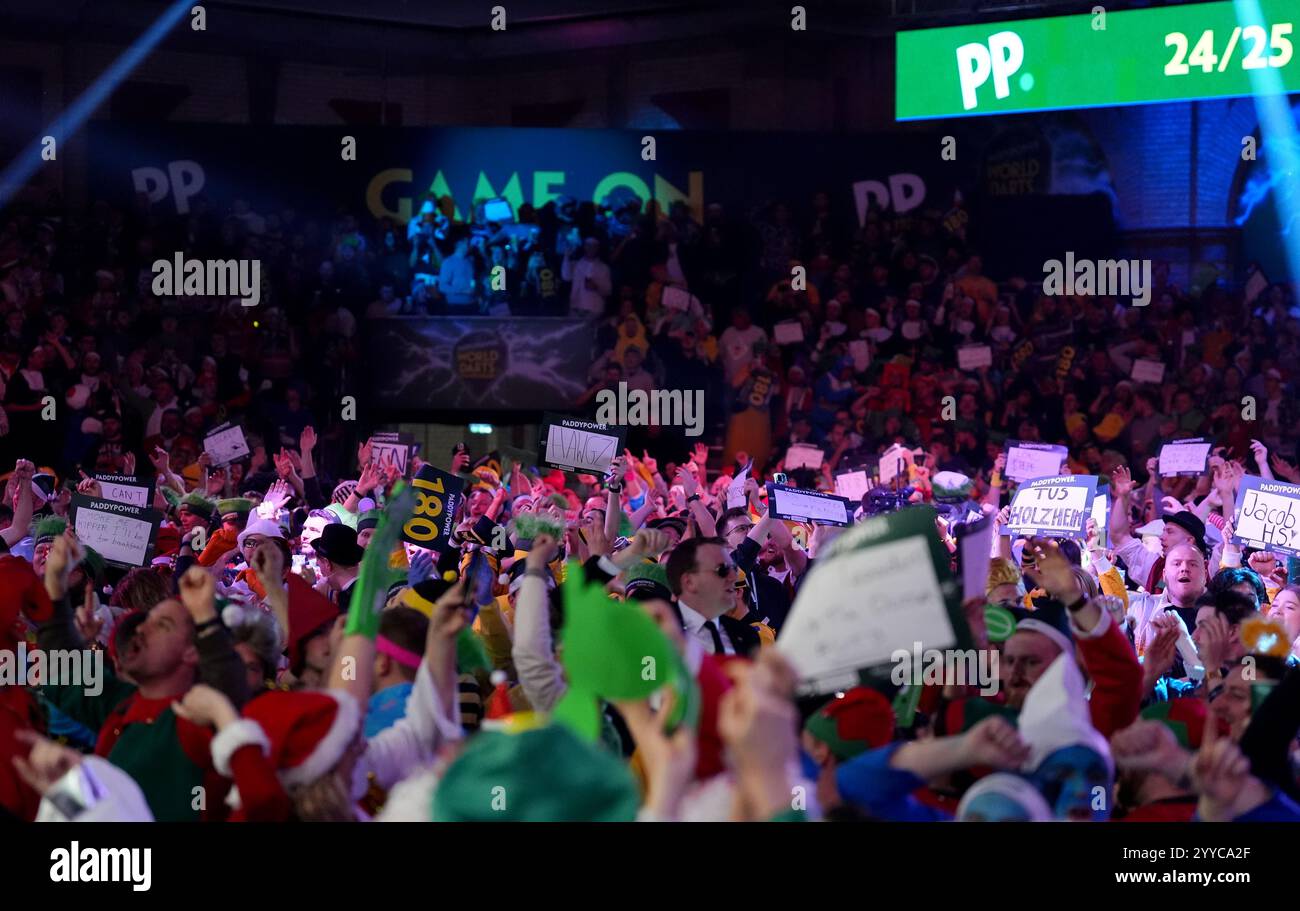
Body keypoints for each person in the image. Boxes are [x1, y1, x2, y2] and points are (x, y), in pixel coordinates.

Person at [36, 537, 248, 821]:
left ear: (192, 652)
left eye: (162, 624)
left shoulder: (198, 720)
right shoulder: (123, 705)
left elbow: (227, 692)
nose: (140, 629)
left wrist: (207, 623)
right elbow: (64, 670)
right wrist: (55, 582)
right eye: (146, 620)